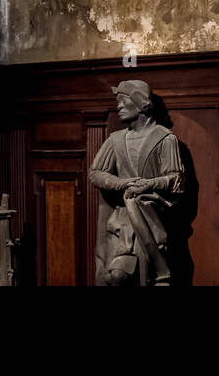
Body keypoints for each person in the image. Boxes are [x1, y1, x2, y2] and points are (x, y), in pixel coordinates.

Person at [88, 80, 186, 286]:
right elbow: (95, 173)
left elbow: (176, 179)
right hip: (122, 220)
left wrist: (147, 185)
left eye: (123, 102)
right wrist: (122, 183)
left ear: (141, 103)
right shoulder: (115, 140)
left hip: (151, 216)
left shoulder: (165, 138)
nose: (119, 107)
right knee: (115, 276)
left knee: (131, 276)